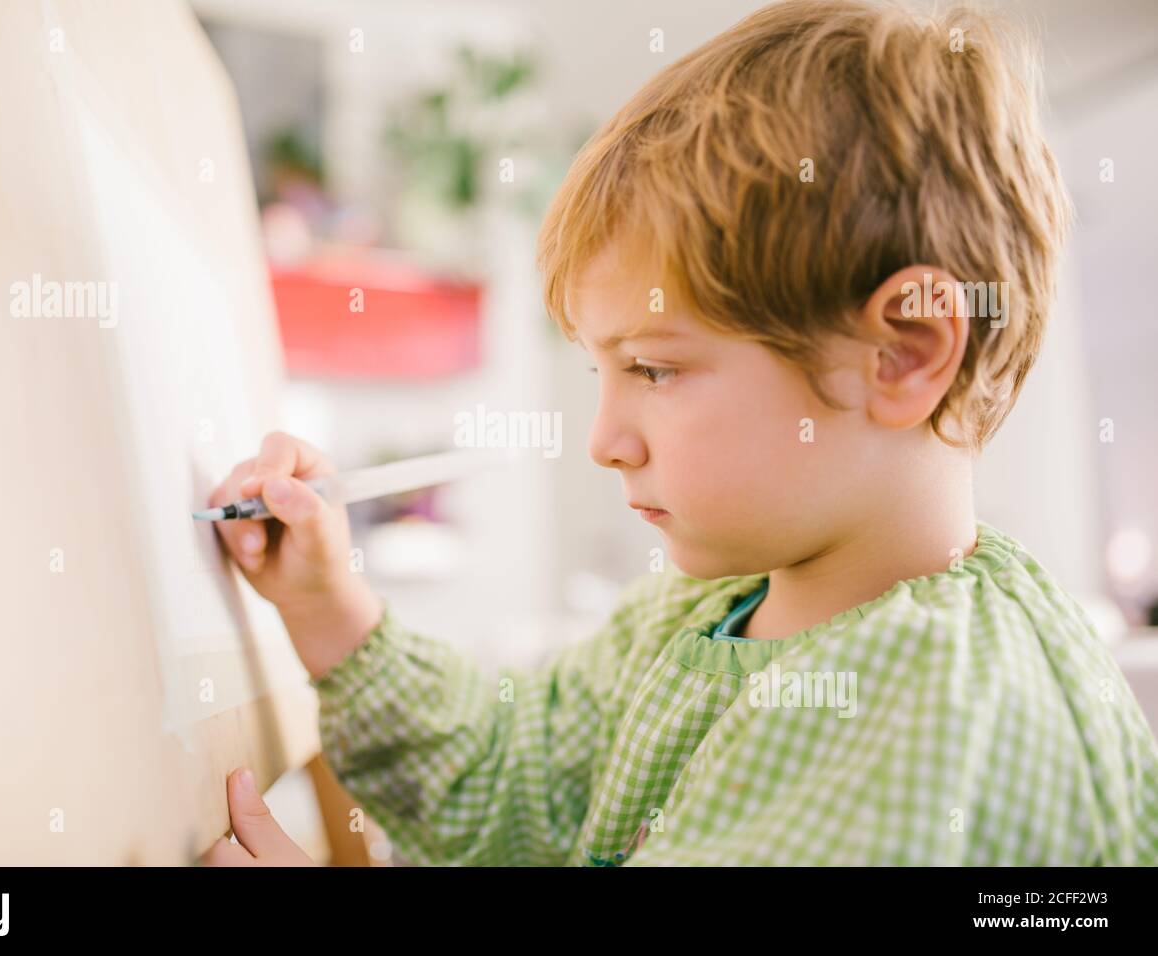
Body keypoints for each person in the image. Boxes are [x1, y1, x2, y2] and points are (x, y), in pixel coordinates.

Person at [204, 0, 1158, 866]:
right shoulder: (708, 609)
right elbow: (515, 778)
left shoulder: (935, 709)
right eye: (602, 372)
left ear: (903, 353)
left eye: (654, 369)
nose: (605, 440)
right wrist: (328, 603)